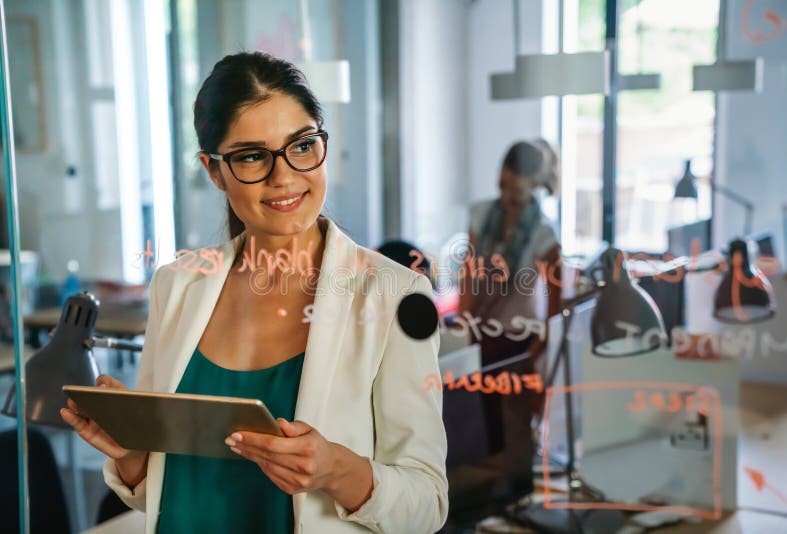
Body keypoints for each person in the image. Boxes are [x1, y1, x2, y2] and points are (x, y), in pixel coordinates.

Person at [60, 52, 448, 534]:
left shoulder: (395, 295)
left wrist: (337, 470)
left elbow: (428, 503)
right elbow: (165, 489)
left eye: (302, 145)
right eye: (251, 156)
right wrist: (133, 454)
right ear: (213, 170)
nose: (283, 176)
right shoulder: (177, 285)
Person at [458, 139, 561, 456]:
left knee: (514, 431)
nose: (505, 198)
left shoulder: (544, 233)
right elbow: (469, 275)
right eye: (502, 185)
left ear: (534, 188)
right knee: (481, 426)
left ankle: (515, 495)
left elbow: (556, 302)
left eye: (515, 194)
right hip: (482, 335)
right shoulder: (481, 215)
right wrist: (465, 325)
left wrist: (537, 349)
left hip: (520, 341)